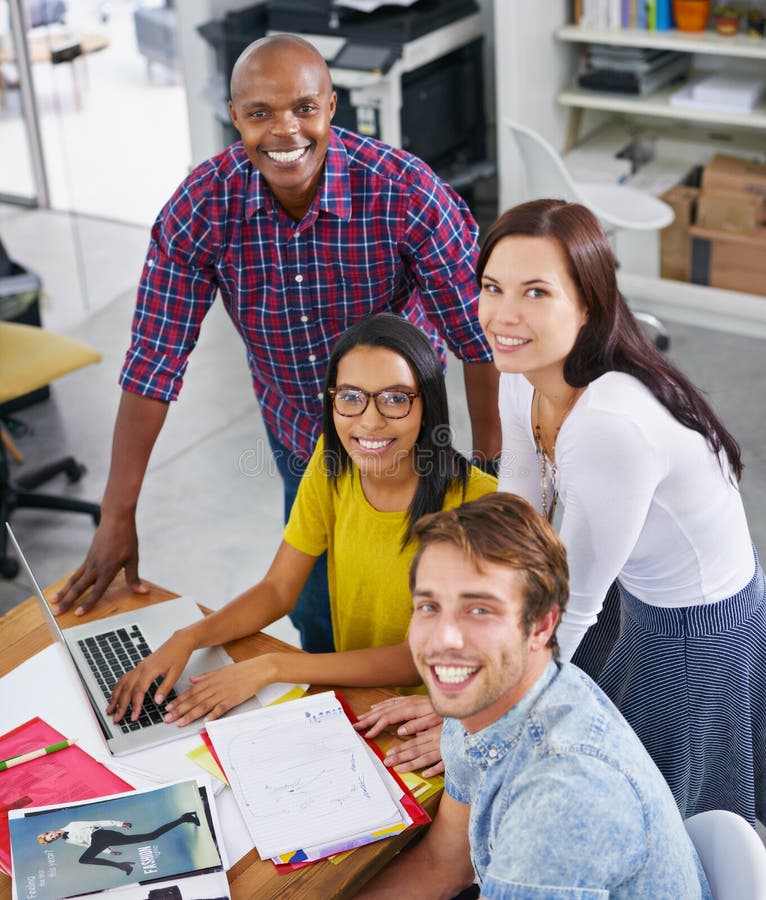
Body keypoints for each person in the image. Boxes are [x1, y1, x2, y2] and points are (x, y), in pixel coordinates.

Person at [51, 33, 500, 654]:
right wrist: (118, 512)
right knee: (318, 613)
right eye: (260, 113)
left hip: (406, 430)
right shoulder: (202, 206)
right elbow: (154, 361)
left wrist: (490, 469)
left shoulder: (403, 191)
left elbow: (477, 338)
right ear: (234, 117)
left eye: (303, 109)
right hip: (299, 427)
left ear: (331, 107)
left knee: (424, 603)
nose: (285, 131)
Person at [473, 197, 766, 826]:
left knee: (644, 810)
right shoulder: (521, 373)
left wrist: (485, 708)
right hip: (620, 586)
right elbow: (520, 521)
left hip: (693, 625)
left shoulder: (608, 423)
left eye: (535, 293)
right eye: (493, 287)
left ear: (587, 305)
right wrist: (482, 638)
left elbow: (573, 601)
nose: (504, 315)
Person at [106, 315, 496, 726]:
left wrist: (275, 666)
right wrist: (188, 637)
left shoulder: (478, 504)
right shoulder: (333, 462)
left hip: (436, 718)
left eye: (396, 399)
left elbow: (420, 657)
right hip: (359, 700)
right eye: (350, 397)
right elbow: (278, 588)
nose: (369, 420)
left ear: (428, 403)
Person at [358, 493, 711, 899]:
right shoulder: (482, 698)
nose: (444, 639)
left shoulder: (564, 796)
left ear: (542, 627)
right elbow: (442, 864)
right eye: (429, 606)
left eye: (480, 611)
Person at [37, 812, 200, 875]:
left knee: (83, 859)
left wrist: (119, 823)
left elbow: (97, 820)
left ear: (49, 831)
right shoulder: (68, 840)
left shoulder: (72, 826)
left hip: (103, 834)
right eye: (52, 839)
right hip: (102, 842)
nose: (54, 837)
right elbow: (88, 845)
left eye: (50, 835)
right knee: (152, 837)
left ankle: (122, 866)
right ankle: (184, 818)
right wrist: (109, 852)